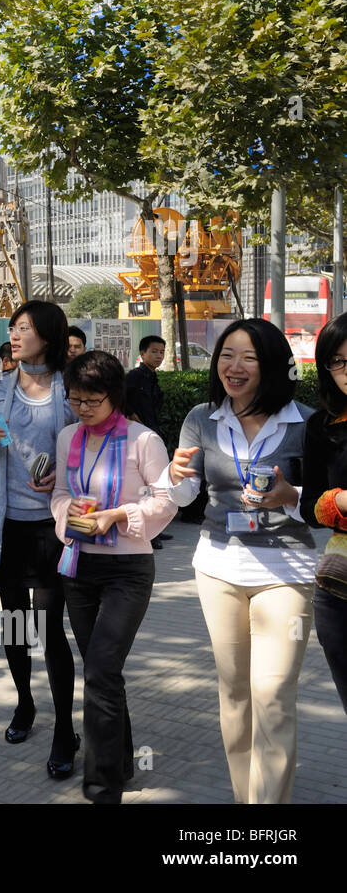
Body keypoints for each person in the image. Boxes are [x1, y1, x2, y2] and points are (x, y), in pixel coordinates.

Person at [166, 318, 316, 804]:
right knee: (234, 694)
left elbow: (325, 499)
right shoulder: (202, 418)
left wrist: (290, 495)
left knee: (272, 696)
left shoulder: (307, 423)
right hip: (218, 569)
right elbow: (186, 493)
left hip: (287, 574)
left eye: (249, 358)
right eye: (226, 354)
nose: (234, 366)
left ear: (270, 365)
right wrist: (174, 474)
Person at [51, 351, 176, 803]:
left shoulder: (144, 441)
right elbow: (62, 492)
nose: (83, 409)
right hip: (79, 565)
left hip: (128, 569)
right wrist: (69, 512)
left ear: (115, 397)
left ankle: (102, 787)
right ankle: (119, 761)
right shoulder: (68, 437)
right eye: (75, 399)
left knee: (102, 671)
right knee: (103, 673)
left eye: (93, 400)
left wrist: (118, 515)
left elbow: (167, 501)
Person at [0, 300, 79, 779]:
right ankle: (24, 704)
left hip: (53, 525)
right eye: (13, 327)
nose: (15, 335)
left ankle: (63, 730)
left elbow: (87, 451)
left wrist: (61, 472)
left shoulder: (71, 389)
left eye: (26, 328)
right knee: (16, 623)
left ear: (50, 336)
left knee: (51, 627)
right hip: (6, 521)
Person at [299, 312, 347, 716]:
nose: (346, 370)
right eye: (337, 360)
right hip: (339, 586)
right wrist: (340, 503)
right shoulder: (322, 427)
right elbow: (309, 506)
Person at [125, 334, 170, 548]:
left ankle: (157, 529)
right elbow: (121, 401)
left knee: (155, 485)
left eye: (162, 352)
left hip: (152, 433)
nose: (159, 355)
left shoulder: (153, 378)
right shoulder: (133, 377)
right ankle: (149, 533)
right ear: (142, 354)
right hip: (138, 437)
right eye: (154, 351)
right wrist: (134, 418)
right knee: (143, 487)